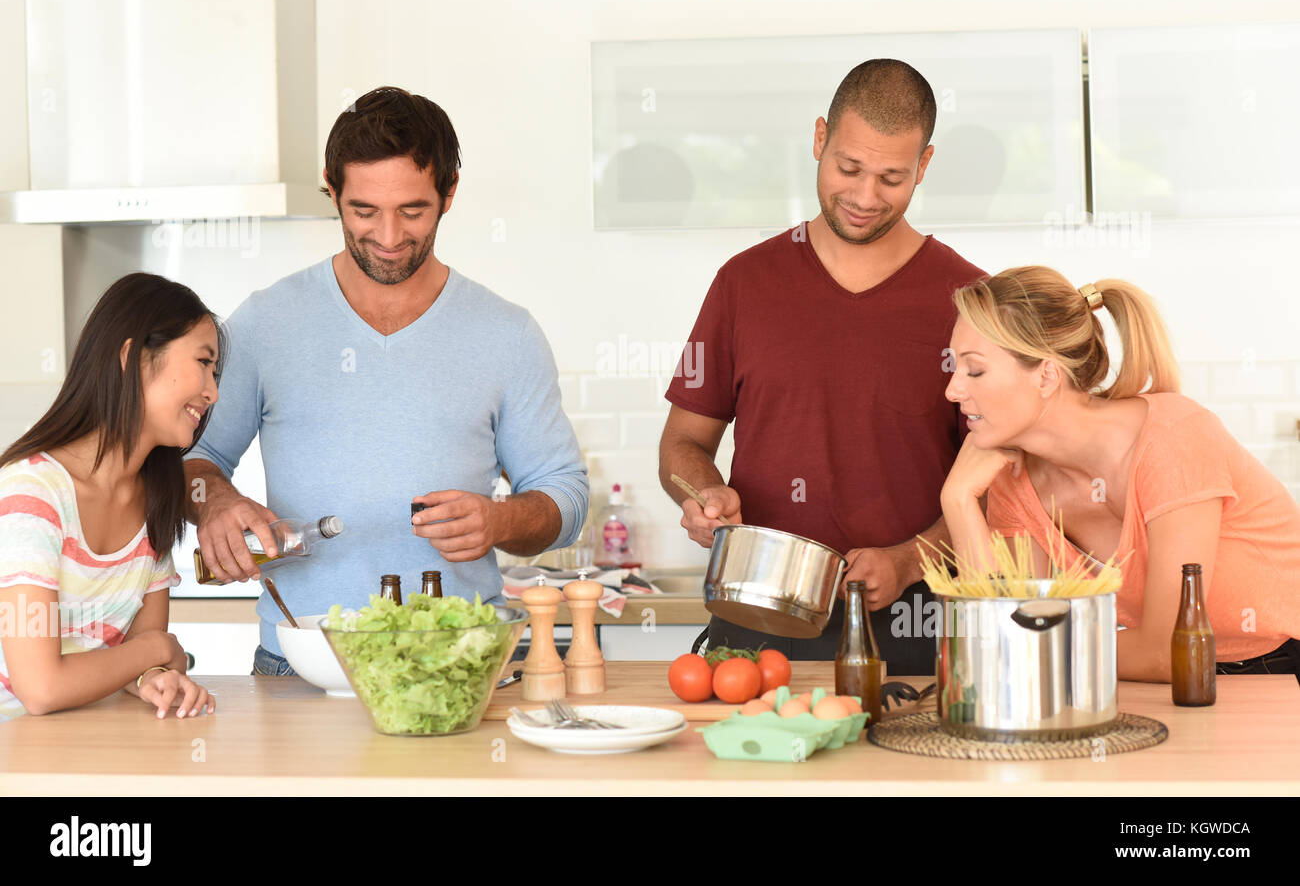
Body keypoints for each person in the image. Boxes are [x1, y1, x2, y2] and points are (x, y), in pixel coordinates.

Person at [185, 86, 588, 675]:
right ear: (332, 187)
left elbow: (567, 500)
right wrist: (215, 500)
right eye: (365, 210)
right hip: (300, 663)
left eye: (414, 211)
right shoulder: (266, 323)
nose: (391, 236)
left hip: (454, 663)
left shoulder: (507, 334)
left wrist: (500, 521)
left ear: (450, 192)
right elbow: (192, 460)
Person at [659, 59, 986, 671]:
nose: (865, 197)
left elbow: (1004, 483)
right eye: (848, 168)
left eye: (892, 177)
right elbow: (683, 439)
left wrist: (911, 559)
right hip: (757, 614)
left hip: (922, 627)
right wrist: (705, 494)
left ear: (925, 165)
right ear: (819, 139)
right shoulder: (744, 283)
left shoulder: (971, 302)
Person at [941, 265, 1300, 682]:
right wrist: (958, 500)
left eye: (975, 370)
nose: (953, 390)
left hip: (1276, 669)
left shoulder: (1173, 438)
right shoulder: (1013, 482)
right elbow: (1000, 646)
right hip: (1167, 679)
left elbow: (1170, 651)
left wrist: (1028, 646)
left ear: (1046, 374)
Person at [0, 274, 219, 720]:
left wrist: (155, 675)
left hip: (92, 743)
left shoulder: (153, 498)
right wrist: (155, 650)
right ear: (134, 357)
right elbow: (41, 689)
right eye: (203, 362)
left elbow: (147, 667)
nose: (212, 391)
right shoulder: (33, 494)